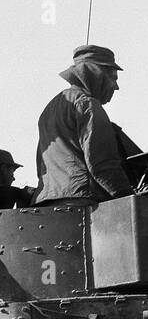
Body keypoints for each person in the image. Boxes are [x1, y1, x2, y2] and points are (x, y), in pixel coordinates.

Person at [33, 44, 141, 205]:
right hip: (83, 202)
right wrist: (130, 197)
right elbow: (102, 163)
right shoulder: (87, 104)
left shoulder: (50, 108)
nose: (116, 87)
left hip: (48, 203)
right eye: (114, 78)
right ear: (97, 75)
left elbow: (40, 161)